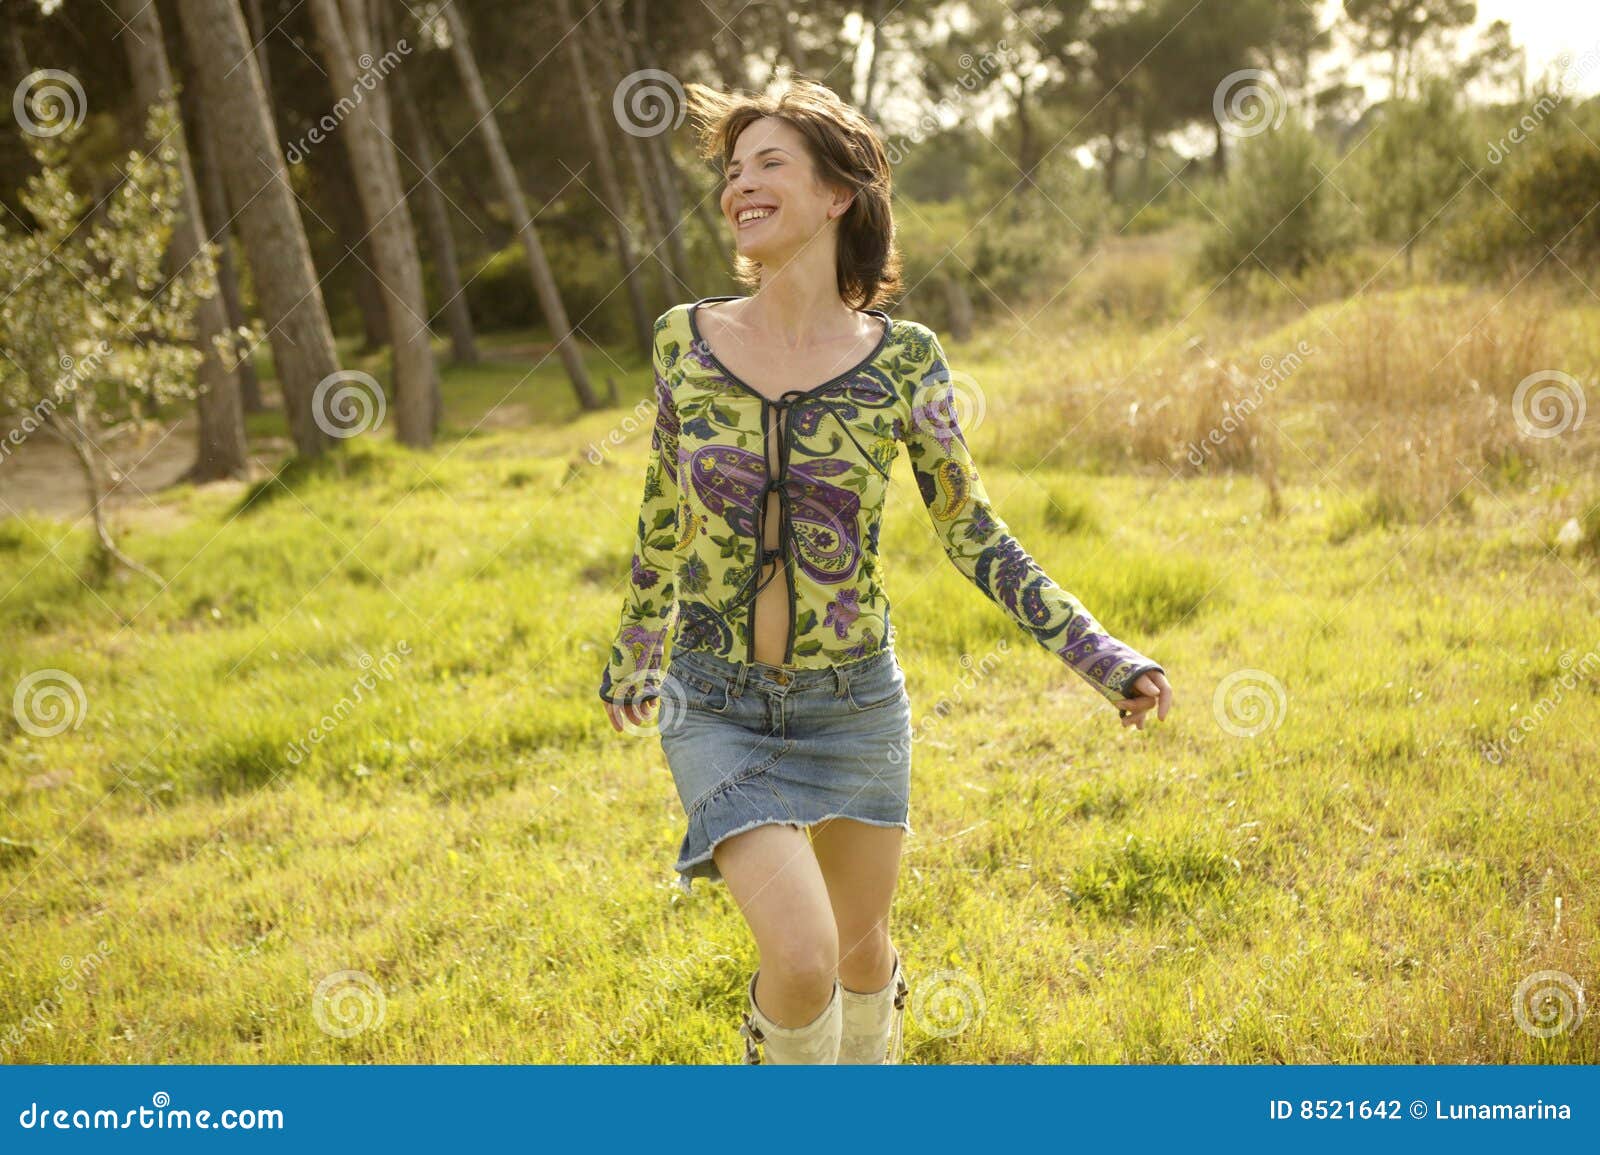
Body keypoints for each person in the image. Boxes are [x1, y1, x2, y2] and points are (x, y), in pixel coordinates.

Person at [599, 77, 1173, 1065]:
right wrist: (640, 647)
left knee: (862, 955)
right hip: (717, 700)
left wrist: (1099, 655)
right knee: (804, 954)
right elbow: (662, 513)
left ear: (837, 196)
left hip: (855, 703)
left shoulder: (905, 361)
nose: (740, 185)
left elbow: (971, 529)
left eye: (768, 163)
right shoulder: (682, 342)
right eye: (732, 171)